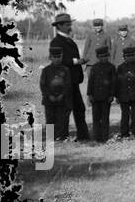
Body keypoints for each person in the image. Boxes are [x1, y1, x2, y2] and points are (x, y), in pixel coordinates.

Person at [50, 12, 88, 141]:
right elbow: (58, 61)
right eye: (67, 24)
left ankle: (83, 136)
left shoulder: (70, 41)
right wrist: (77, 61)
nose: (70, 26)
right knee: (65, 110)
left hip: (74, 81)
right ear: (59, 26)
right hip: (63, 82)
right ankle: (62, 137)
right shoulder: (56, 42)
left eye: (70, 23)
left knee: (79, 109)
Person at [40, 41, 72, 140]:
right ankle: (51, 137)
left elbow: (68, 84)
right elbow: (42, 85)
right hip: (49, 99)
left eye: (59, 57)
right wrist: (49, 95)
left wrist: (62, 94)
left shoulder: (65, 70)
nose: (57, 59)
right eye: (55, 57)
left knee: (61, 118)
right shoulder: (46, 70)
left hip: (62, 98)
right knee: (50, 119)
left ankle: (61, 136)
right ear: (50, 57)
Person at [115, 43, 135, 137]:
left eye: (132, 55)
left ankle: (134, 133)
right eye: (127, 56)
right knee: (125, 116)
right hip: (124, 96)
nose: (130, 58)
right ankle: (124, 133)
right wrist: (117, 96)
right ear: (124, 57)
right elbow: (117, 83)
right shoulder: (120, 67)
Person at [86, 44, 115, 142]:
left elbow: (113, 82)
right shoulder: (94, 68)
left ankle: (104, 137)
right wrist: (89, 94)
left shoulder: (111, 67)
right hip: (96, 97)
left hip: (106, 97)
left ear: (108, 56)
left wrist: (112, 94)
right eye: (101, 56)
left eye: (105, 56)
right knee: (96, 118)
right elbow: (91, 81)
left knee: (105, 118)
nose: (104, 58)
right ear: (98, 57)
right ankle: (96, 137)